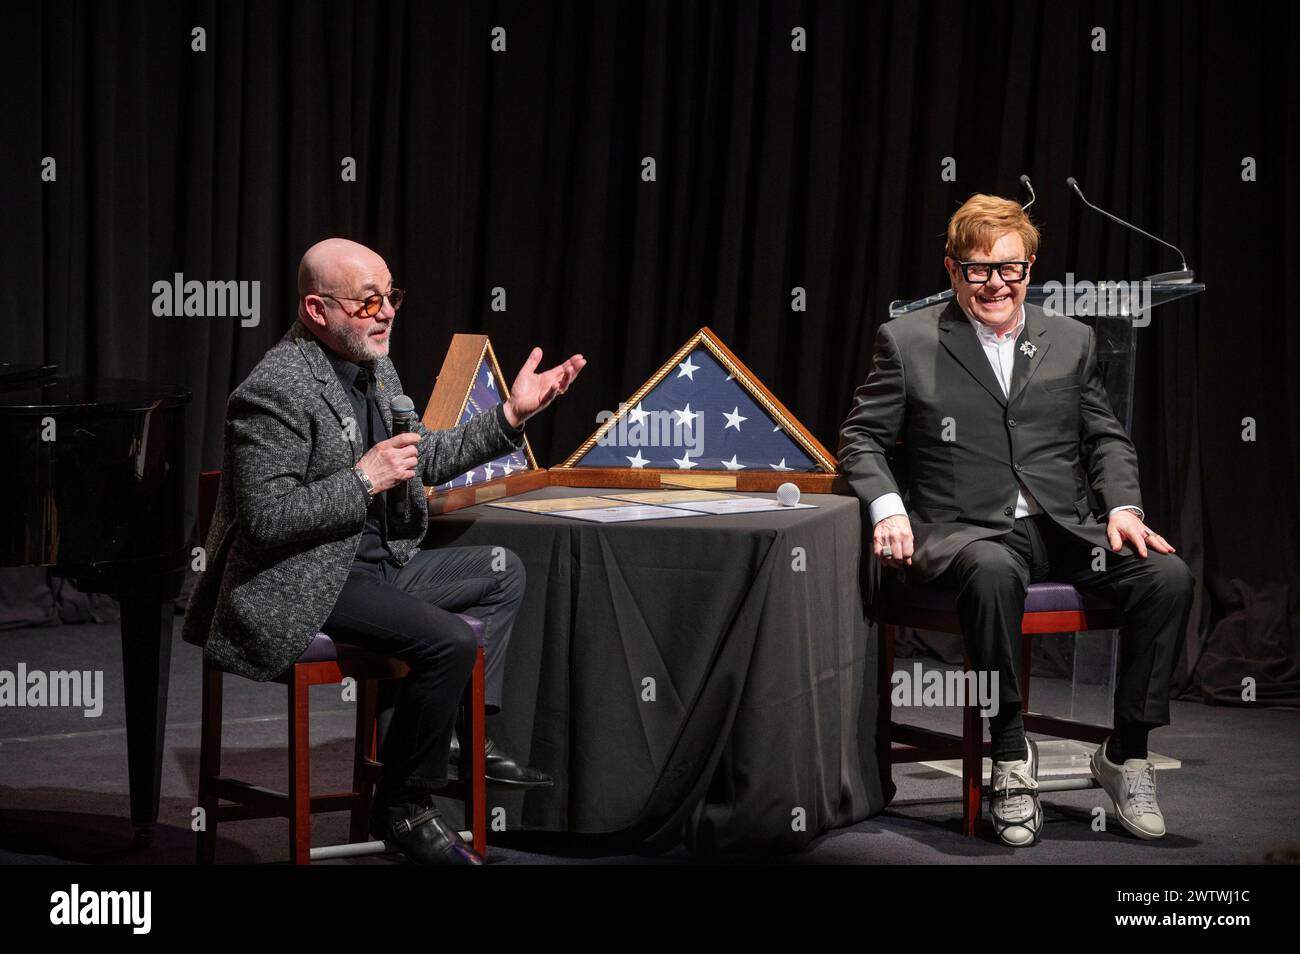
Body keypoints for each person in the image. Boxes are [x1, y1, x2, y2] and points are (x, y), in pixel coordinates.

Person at [183, 238, 586, 865]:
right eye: (367, 301)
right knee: (448, 641)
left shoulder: (374, 367)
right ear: (318, 311)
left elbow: (424, 458)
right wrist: (363, 479)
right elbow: (264, 521)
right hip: (305, 579)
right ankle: (404, 809)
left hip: (375, 567)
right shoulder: (273, 391)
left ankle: (461, 737)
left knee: (503, 572)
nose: (386, 312)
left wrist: (510, 414)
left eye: (389, 296)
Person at [838, 195, 1193, 846]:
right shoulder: (909, 341)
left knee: (1165, 577)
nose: (996, 283)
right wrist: (888, 509)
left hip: (1064, 530)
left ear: (1030, 268)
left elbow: (1105, 439)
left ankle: (1126, 754)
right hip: (964, 533)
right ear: (952, 270)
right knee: (995, 570)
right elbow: (861, 439)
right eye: (978, 270)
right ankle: (1010, 757)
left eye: (1012, 269)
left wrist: (1122, 508)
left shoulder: (1072, 338)